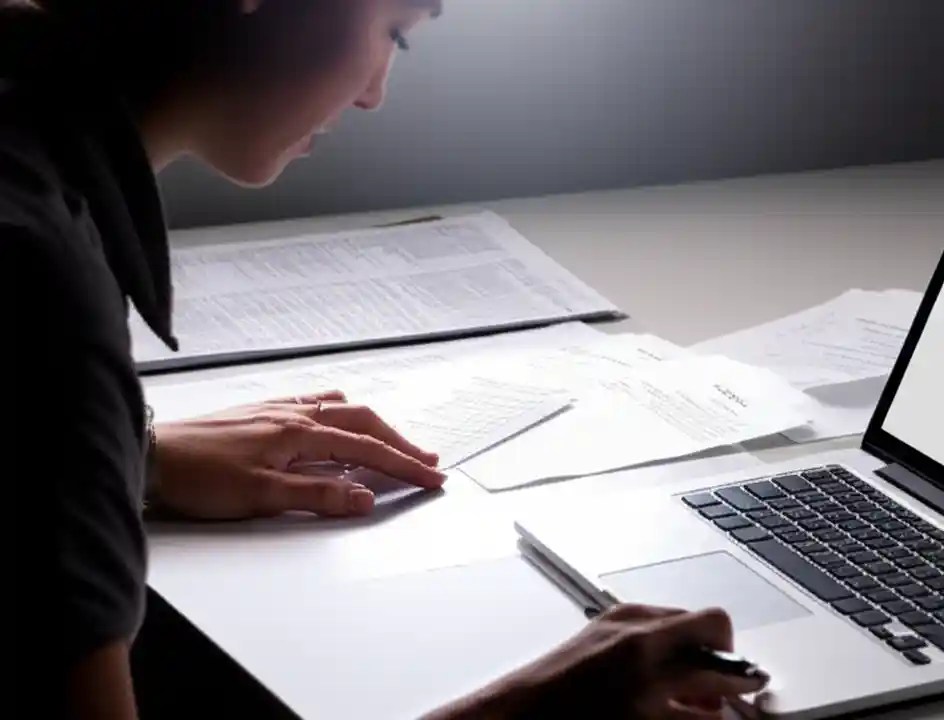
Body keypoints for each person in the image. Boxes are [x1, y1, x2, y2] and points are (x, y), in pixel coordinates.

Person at [0, 1, 769, 718]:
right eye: (394, 31)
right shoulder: (40, 293)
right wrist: (537, 707)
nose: (374, 94)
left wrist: (136, 458)